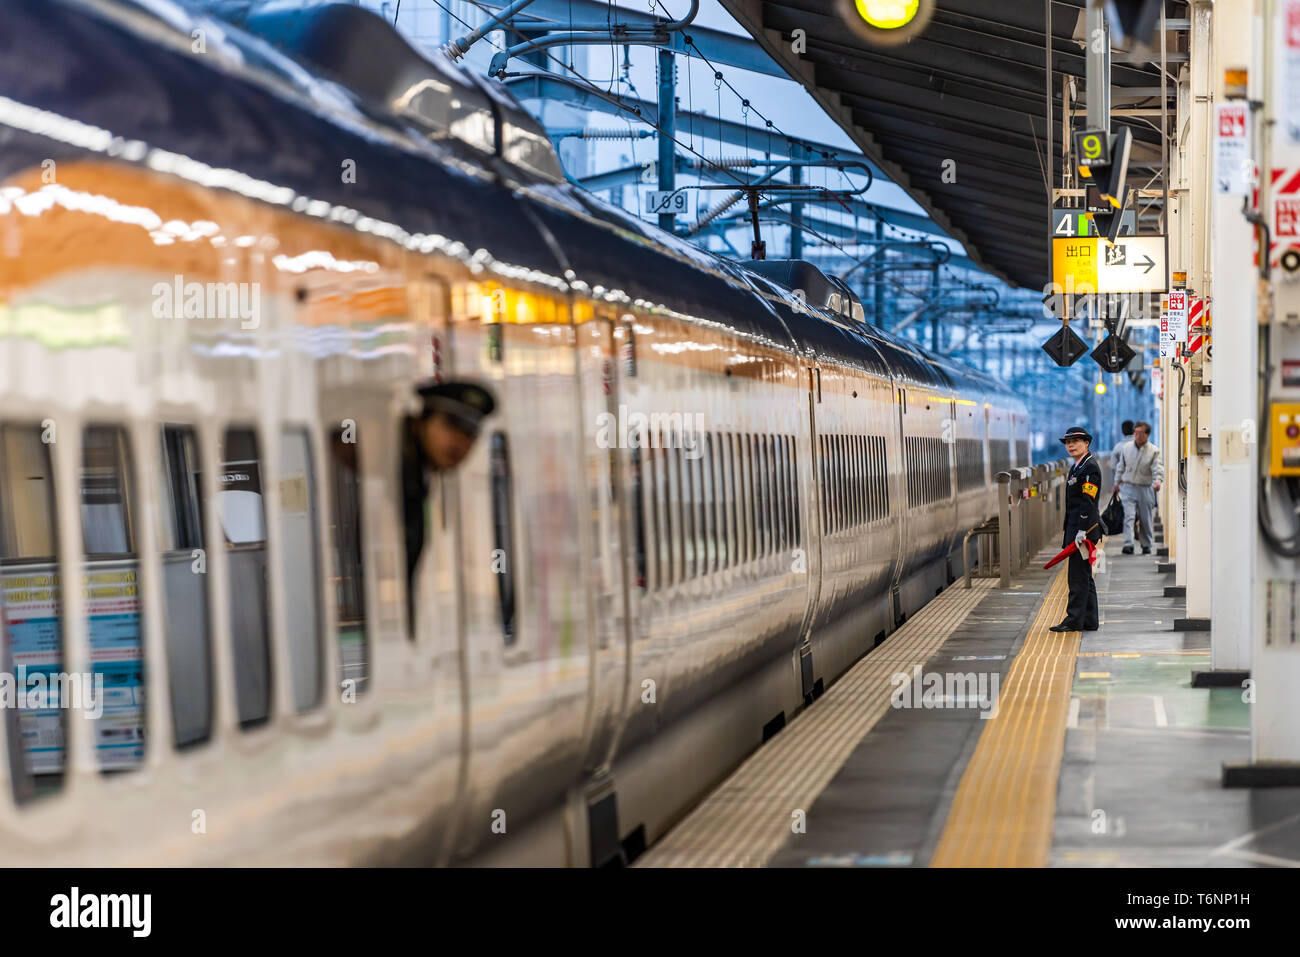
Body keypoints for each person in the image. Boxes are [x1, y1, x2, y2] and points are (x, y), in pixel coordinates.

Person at [401, 379, 497, 633]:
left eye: (470, 433)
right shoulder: (398, 479)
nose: (459, 441)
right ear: (421, 422)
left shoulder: (416, 479)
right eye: (450, 425)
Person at [1051, 426, 1103, 633]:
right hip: (1076, 530)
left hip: (1083, 532)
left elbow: (1088, 502)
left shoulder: (1089, 468)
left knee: (1077, 577)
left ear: (1086, 443)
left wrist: (1081, 531)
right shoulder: (1078, 467)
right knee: (1084, 576)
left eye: (1075, 441)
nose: (1070, 445)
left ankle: (1073, 620)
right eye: (1067, 442)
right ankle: (1090, 619)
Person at [1111, 419, 1163, 555]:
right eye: (1136, 433)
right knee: (1129, 516)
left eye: (1140, 433)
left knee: (1146, 518)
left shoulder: (1153, 451)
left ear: (1147, 435)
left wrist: (1157, 481)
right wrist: (1116, 483)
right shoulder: (1126, 448)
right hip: (1128, 487)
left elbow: (1157, 468)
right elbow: (1120, 467)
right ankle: (1128, 544)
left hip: (1146, 487)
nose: (1137, 436)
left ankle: (1146, 544)